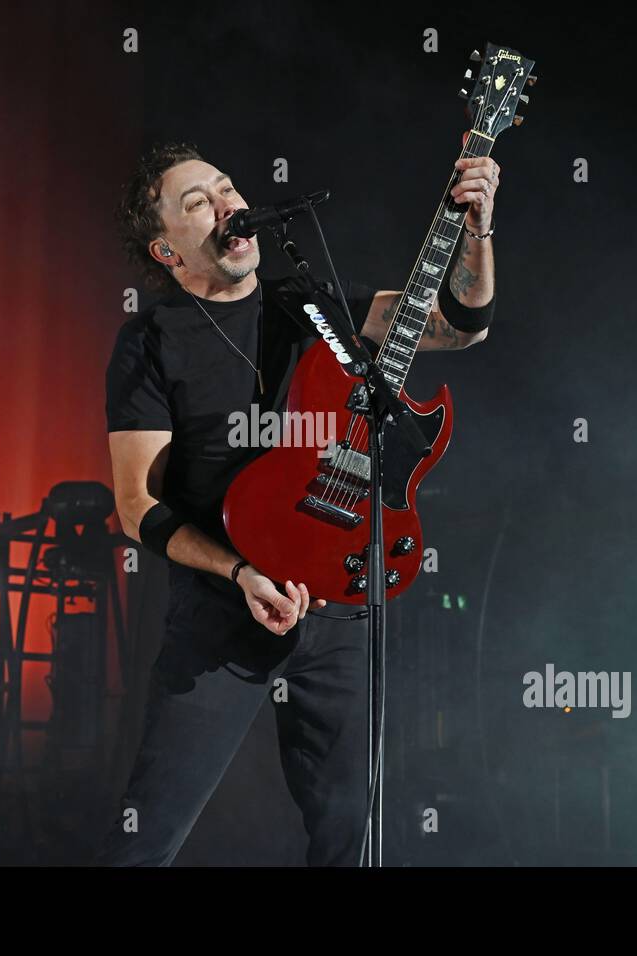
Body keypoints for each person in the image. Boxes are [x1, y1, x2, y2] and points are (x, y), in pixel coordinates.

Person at [96, 142, 498, 865]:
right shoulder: (150, 340)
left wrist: (477, 228)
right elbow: (136, 506)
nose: (226, 205)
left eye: (226, 187)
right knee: (146, 836)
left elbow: (460, 326)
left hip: (340, 603)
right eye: (197, 203)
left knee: (348, 837)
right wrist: (240, 574)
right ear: (166, 249)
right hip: (224, 614)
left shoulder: (311, 309)